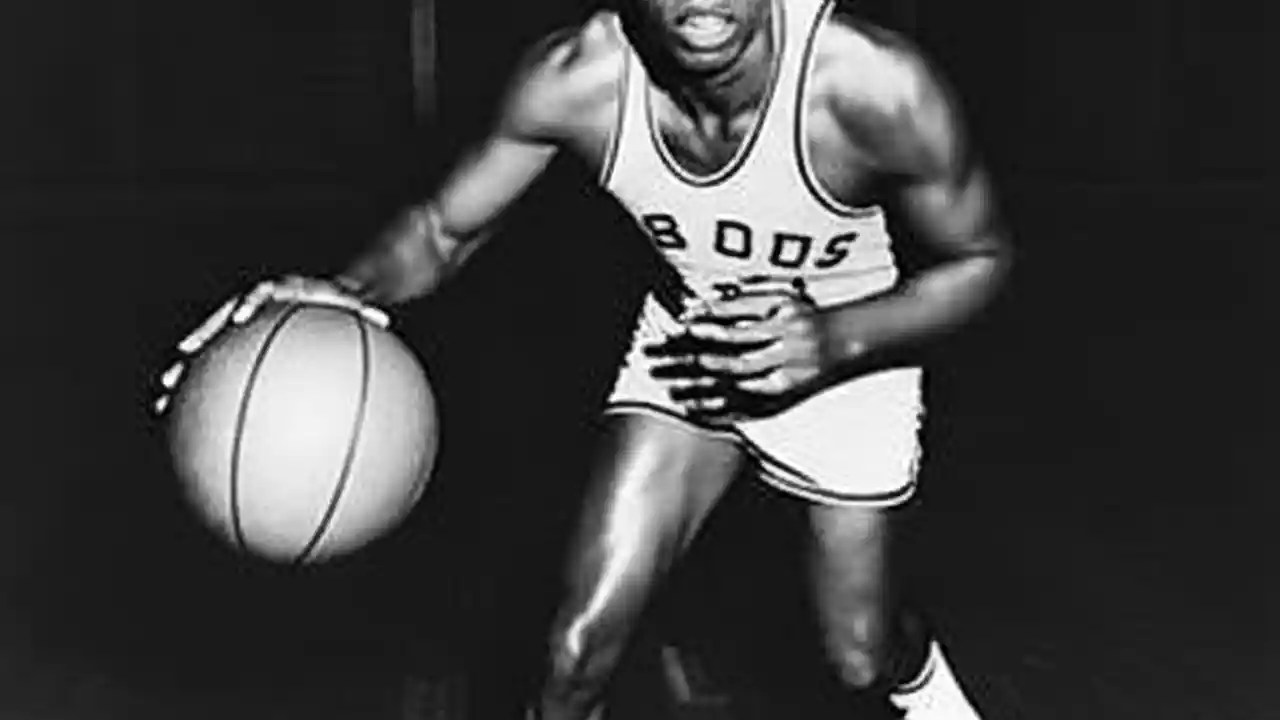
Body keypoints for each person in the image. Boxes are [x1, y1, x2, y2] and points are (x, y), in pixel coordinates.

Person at [157, 0, 1012, 717]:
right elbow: (442, 230)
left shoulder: (873, 84)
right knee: (571, 657)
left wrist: (832, 338)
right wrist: (343, 286)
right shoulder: (581, 79)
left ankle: (923, 679)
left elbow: (982, 261)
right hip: (690, 349)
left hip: (849, 351)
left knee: (860, 653)